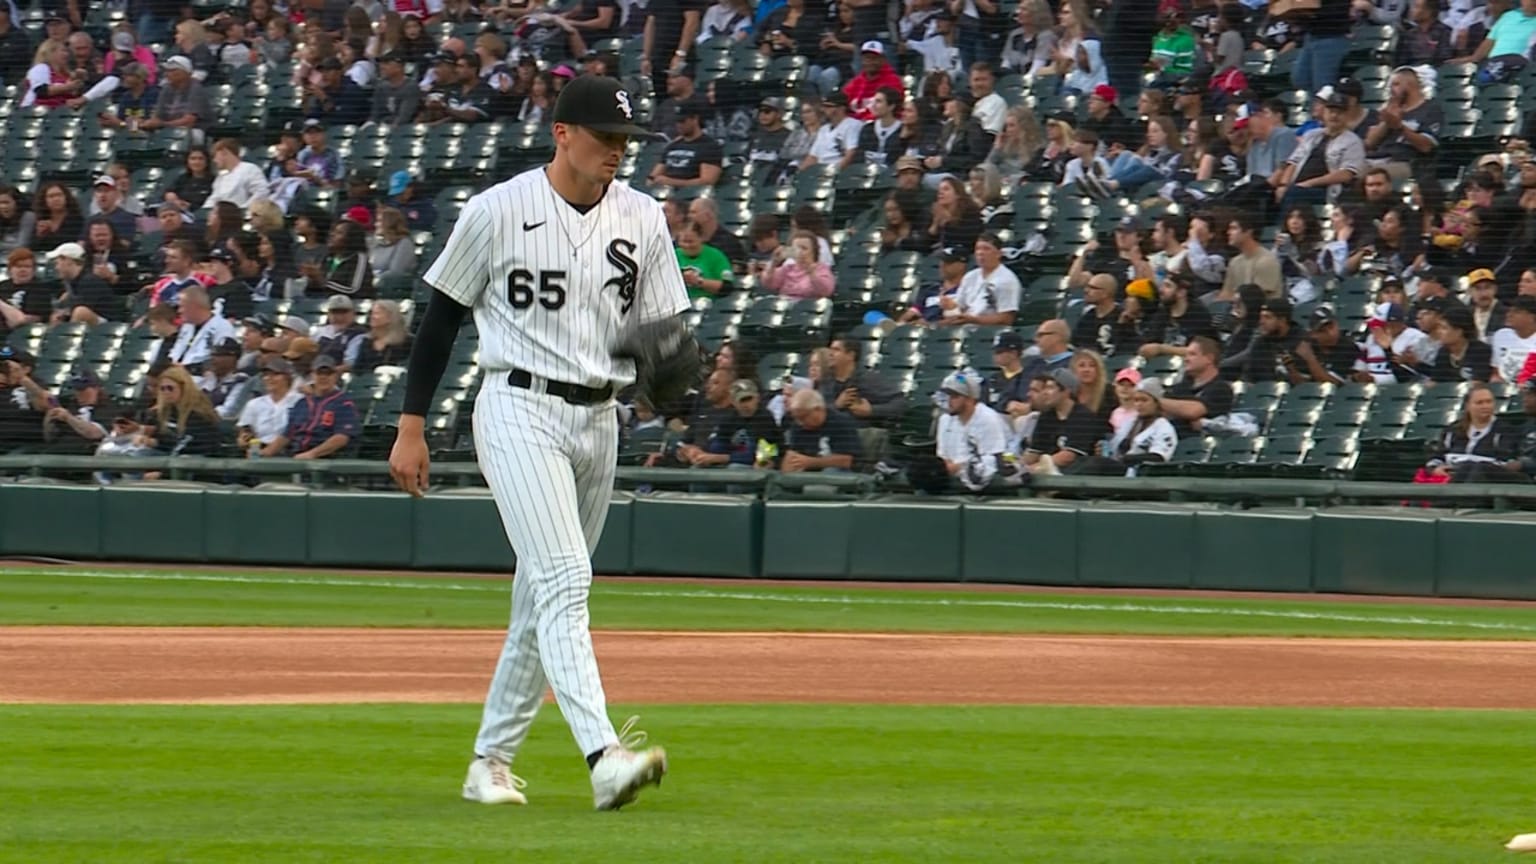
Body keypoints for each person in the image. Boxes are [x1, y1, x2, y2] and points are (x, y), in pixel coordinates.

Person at [387, 75, 676, 811]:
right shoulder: (497, 210)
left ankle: (489, 763)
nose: (618, 152)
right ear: (562, 133)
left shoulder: (642, 216)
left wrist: (672, 377)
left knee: (538, 599)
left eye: (626, 141)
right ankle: (604, 756)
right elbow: (440, 320)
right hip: (517, 407)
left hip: (599, 418)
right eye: (606, 138)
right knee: (564, 579)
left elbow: (665, 331)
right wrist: (412, 424)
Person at [935, 368, 1013, 491]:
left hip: (991, 487)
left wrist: (959, 468)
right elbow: (943, 456)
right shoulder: (945, 420)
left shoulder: (988, 419)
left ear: (970, 399)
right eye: (948, 396)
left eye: (955, 396)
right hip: (953, 482)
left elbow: (994, 461)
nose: (949, 401)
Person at [1161, 335, 1234, 438]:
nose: (1186, 359)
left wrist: (1155, 400)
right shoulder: (1181, 387)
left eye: (1192, 354)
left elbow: (1193, 411)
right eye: (1186, 355)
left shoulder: (1221, 388)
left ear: (1209, 358)